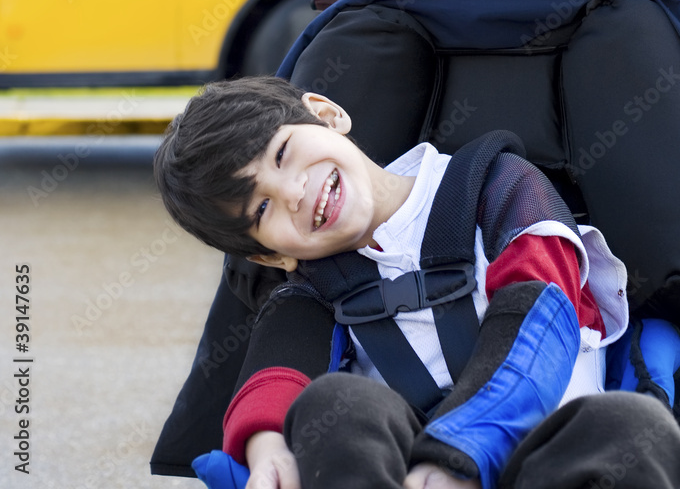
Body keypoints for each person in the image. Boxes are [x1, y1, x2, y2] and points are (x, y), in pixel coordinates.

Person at [154, 76, 680, 489]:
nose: (294, 192)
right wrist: (266, 441)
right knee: (335, 405)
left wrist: (459, 455)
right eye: (263, 207)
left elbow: (536, 322)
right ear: (268, 255)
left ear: (326, 115)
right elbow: (278, 367)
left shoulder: (499, 188)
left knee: (632, 424)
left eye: (284, 154)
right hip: (406, 473)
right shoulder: (315, 283)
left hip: (546, 451)